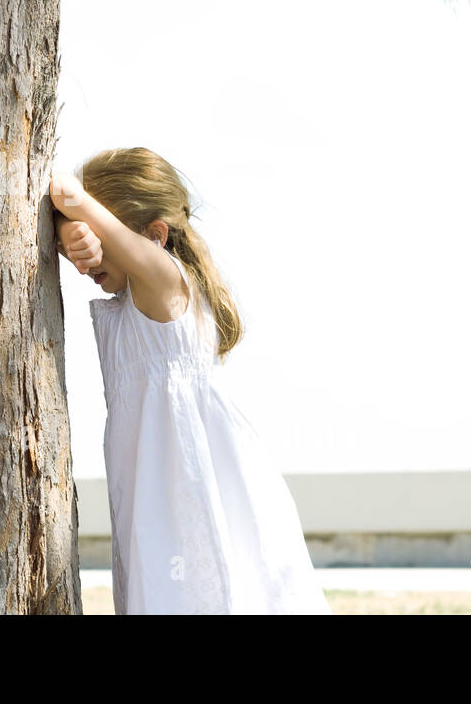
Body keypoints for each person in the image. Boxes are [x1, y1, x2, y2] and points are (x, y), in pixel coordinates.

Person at [50, 148, 330, 614]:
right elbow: (65, 198)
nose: (87, 257)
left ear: (154, 235)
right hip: (154, 486)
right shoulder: (137, 298)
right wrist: (68, 230)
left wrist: (74, 218)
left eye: (104, 234)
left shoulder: (164, 282)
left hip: (190, 485)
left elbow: (64, 190)